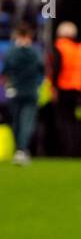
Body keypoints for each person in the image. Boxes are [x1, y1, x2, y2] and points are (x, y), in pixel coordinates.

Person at [4, 23, 43, 165]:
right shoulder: (35, 52)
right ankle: (21, 149)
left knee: (16, 122)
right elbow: (42, 70)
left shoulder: (11, 52)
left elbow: (6, 71)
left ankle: (19, 149)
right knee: (26, 122)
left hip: (15, 91)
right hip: (31, 91)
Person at [52, 20, 81, 157]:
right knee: (75, 122)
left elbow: (56, 69)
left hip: (63, 89)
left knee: (64, 121)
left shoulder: (60, 47)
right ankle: (77, 150)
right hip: (79, 91)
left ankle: (66, 151)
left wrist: (53, 88)